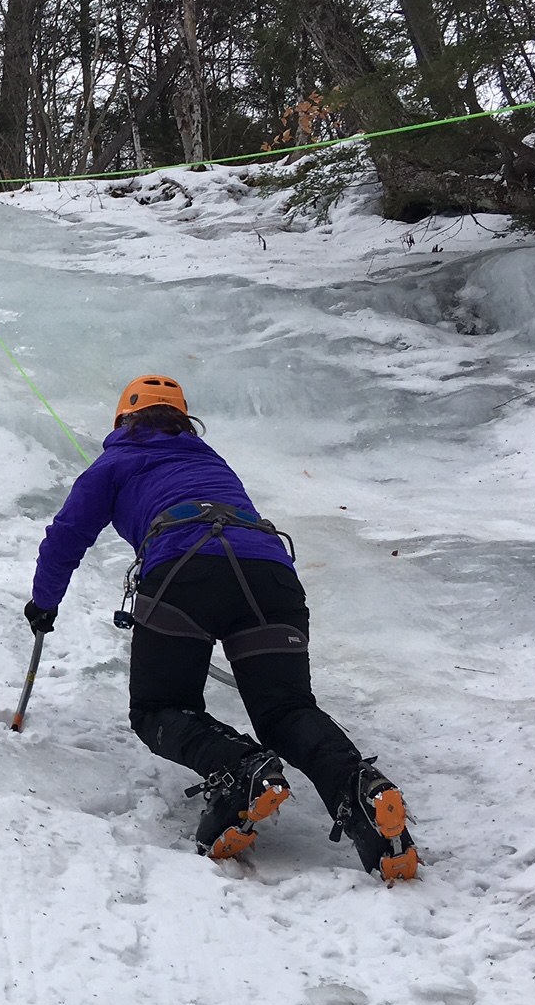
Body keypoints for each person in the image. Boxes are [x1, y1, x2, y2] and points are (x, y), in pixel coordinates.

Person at [24, 375, 419, 881]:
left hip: (184, 569)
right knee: (285, 709)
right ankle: (363, 790)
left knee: (160, 708)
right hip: (268, 570)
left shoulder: (114, 461)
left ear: (122, 420)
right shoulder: (209, 459)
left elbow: (66, 536)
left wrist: (44, 603)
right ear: (183, 420)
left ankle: (241, 770)